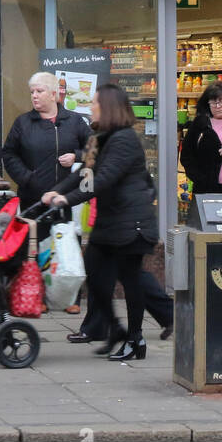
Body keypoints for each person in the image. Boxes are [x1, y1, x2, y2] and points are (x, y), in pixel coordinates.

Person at [44, 83, 158, 362]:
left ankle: (135, 339)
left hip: (132, 224)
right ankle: (116, 331)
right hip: (110, 222)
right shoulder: (100, 137)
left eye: (95, 102)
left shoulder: (124, 140)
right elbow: (85, 171)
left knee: (131, 282)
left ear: (108, 107)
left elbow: (101, 179)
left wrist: (66, 200)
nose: (91, 106)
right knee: (94, 276)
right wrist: (58, 190)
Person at [0, 71, 91, 236]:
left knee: (63, 254)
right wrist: (27, 178)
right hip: (33, 202)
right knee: (33, 253)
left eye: (39, 91)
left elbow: (94, 151)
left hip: (64, 202)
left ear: (53, 94)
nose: (34, 96)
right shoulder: (23, 123)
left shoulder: (74, 121)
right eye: (32, 92)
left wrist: (76, 156)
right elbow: (9, 154)